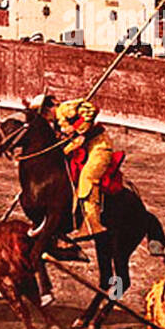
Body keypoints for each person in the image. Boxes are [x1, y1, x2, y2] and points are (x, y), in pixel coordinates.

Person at [42, 95, 114, 237]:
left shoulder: (65, 108)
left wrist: (79, 128)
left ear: (49, 108)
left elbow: (91, 109)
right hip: (82, 148)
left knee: (87, 177)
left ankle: (93, 223)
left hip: (99, 147)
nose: (44, 117)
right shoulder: (56, 121)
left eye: (44, 112)